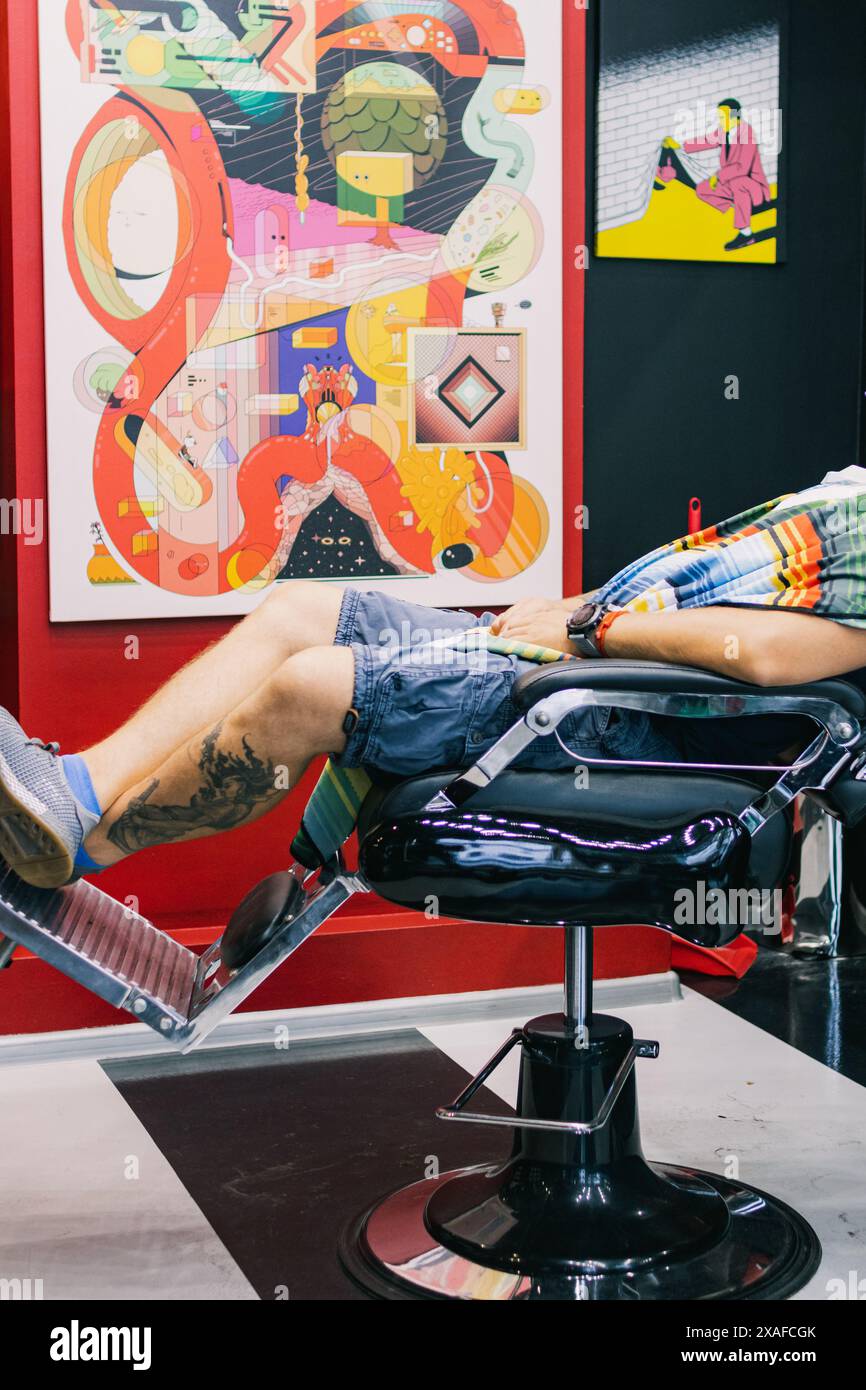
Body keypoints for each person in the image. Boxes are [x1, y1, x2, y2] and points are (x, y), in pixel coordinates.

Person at [3, 467, 866, 891]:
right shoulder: (843, 499)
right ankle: (76, 790)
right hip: (594, 658)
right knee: (307, 607)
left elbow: (764, 658)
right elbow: (682, 580)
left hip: (624, 719)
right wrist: (572, 609)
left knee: (313, 686)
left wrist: (589, 629)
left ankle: (83, 849)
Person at [657, 98, 771, 252]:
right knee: (702, 190)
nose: (720, 120)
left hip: (753, 187)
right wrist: (679, 145)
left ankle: (746, 234)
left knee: (739, 183)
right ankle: (737, 205)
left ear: (734, 117)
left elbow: (741, 168)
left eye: (722, 117)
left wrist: (717, 176)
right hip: (732, 183)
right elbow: (707, 141)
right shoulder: (724, 132)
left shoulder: (747, 134)